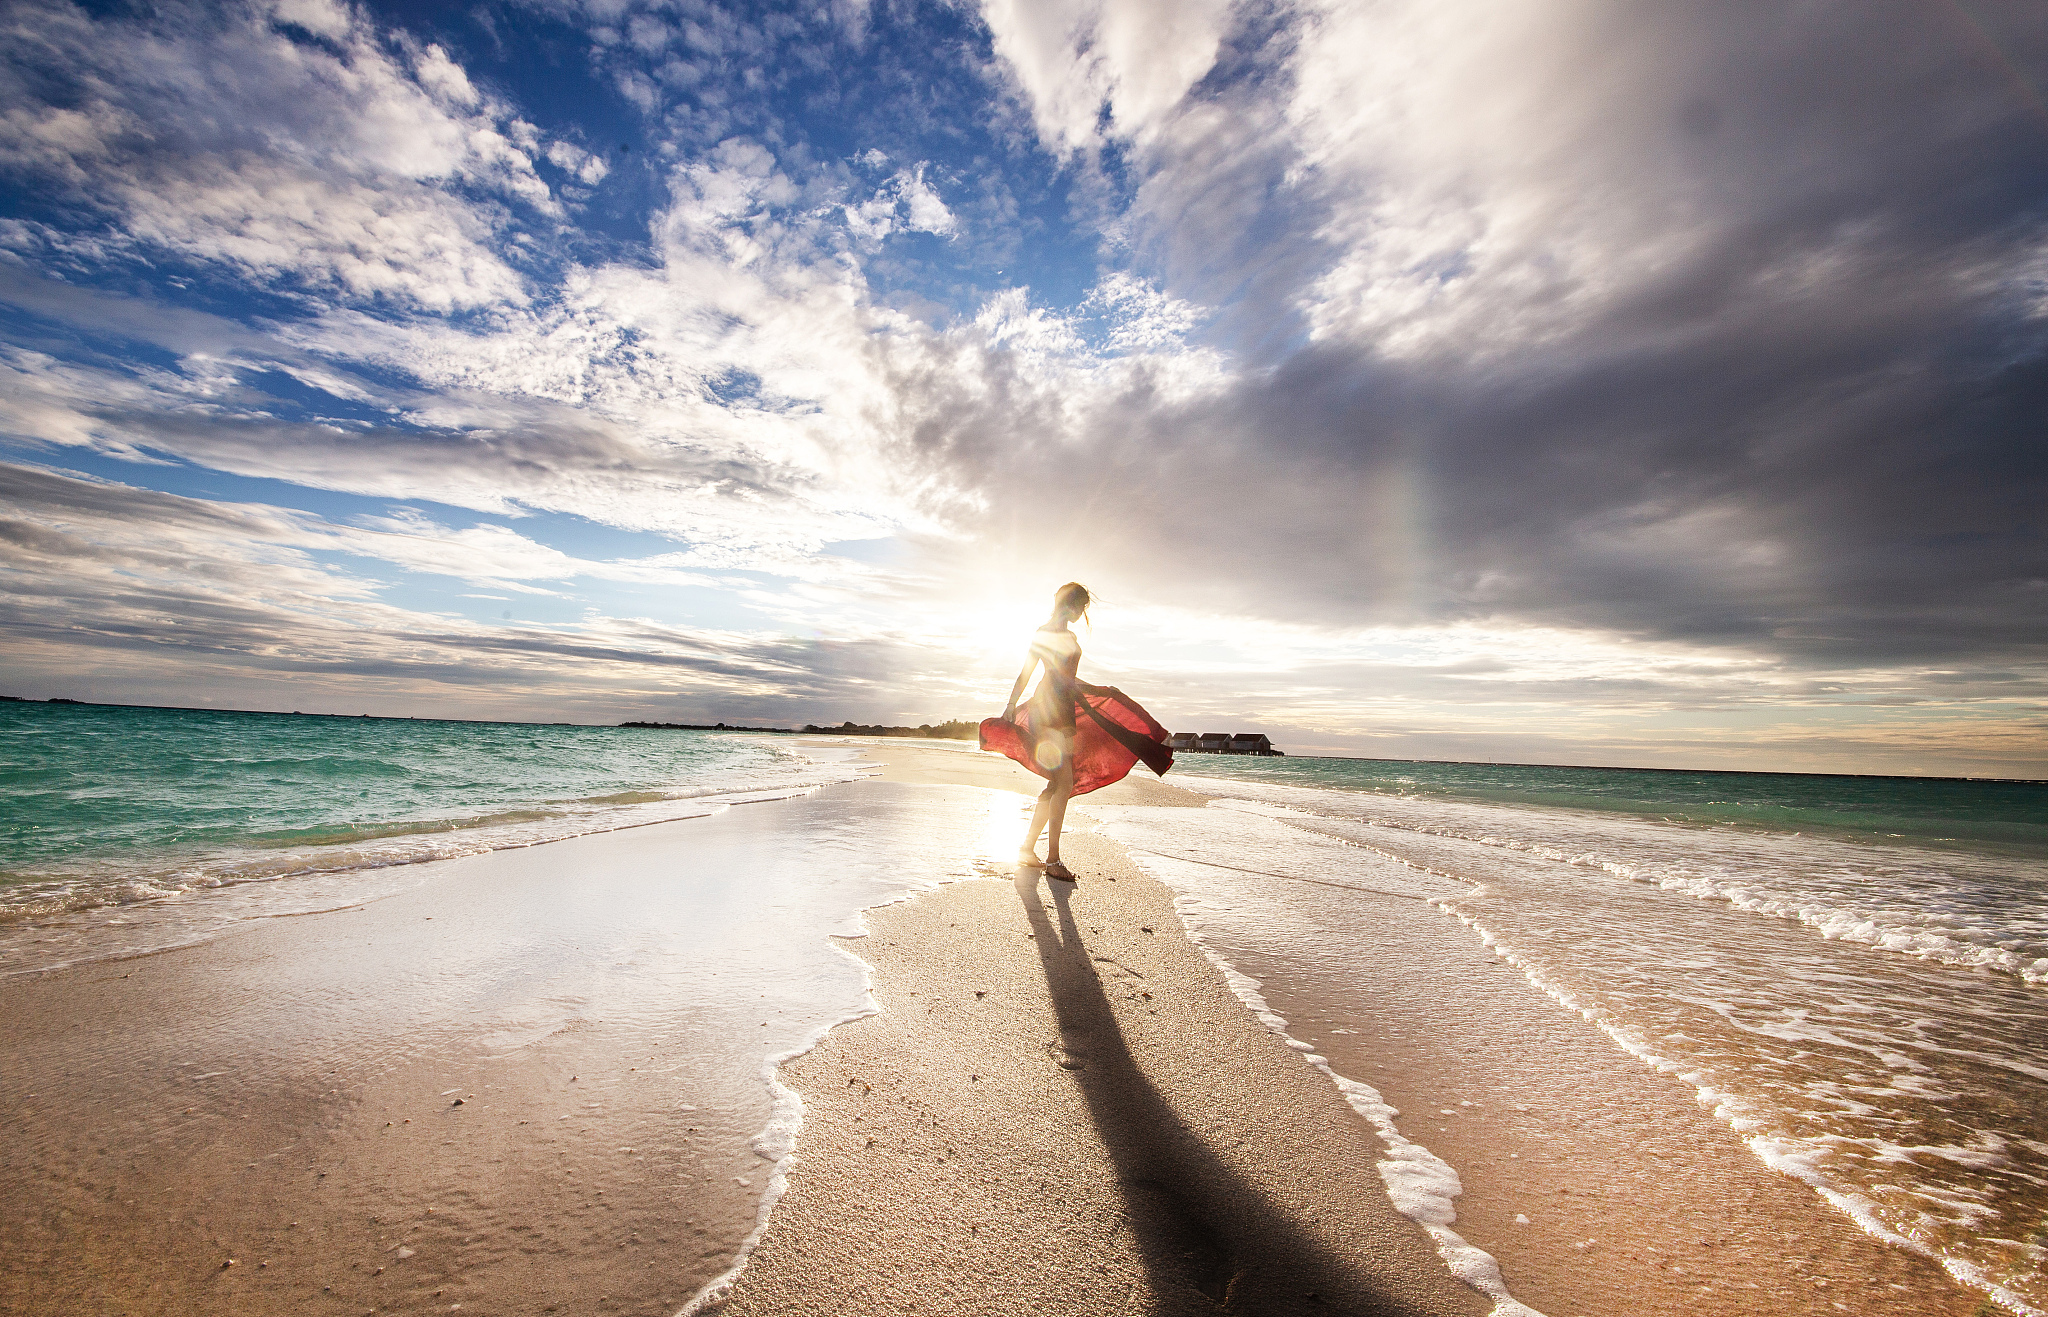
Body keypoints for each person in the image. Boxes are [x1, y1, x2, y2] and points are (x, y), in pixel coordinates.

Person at [985, 582, 1175, 882]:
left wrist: (1091, 692)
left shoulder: (1069, 635)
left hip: (1064, 706)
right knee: (1064, 781)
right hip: (1048, 708)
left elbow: (1067, 676)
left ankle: (1026, 849)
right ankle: (1053, 859)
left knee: (1057, 784)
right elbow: (1027, 671)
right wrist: (1011, 703)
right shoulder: (1044, 633)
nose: (1082, 613)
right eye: (1081, 606)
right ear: (1070, 605)